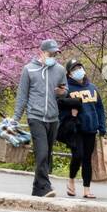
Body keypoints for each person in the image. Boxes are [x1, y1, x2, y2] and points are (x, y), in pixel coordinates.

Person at [13, 39, 68, 198]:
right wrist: (16, 118)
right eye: (50, 53)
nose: (53, 56)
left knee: (48, 154)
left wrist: (62, 92)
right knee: (42, 153)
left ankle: (37, 188)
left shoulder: (60, 70)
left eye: (55, 54)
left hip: (53, 118)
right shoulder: (28, 70)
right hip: (35, 117)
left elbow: (65, 90)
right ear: (42, 53)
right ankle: (46, 186)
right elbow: (22, 96)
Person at [58, 59, 107, 198]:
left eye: (79, 67)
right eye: (74, 69)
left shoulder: (92, 88)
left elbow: (100, 109)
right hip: (75, 129)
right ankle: (71, 180)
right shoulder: (67, 89)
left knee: (87, 159)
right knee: (78, 155)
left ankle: (87, 189)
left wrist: (102, 127)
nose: (78, 70)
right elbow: (60, 106)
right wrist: (71, 114)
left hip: (91, 128)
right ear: (69, 74)